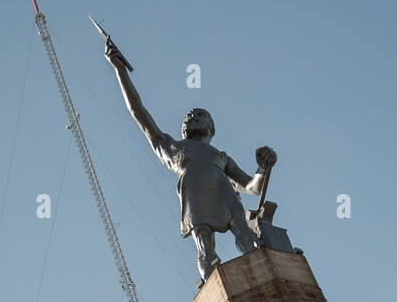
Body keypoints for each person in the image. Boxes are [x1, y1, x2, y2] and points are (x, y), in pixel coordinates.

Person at [105, 38, 277, 283]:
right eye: (188, 116)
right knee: (205, 247)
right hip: (195, 199)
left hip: (226, 196)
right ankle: (214, 283)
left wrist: (262, 168)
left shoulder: (221, 157)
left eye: (199, 115)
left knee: (245, 235)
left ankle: (264, 271)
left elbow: (252, 188)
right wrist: (119, 69)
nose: (191, 117)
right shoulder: (171, 146)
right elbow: (138, 112)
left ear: (211, 128)